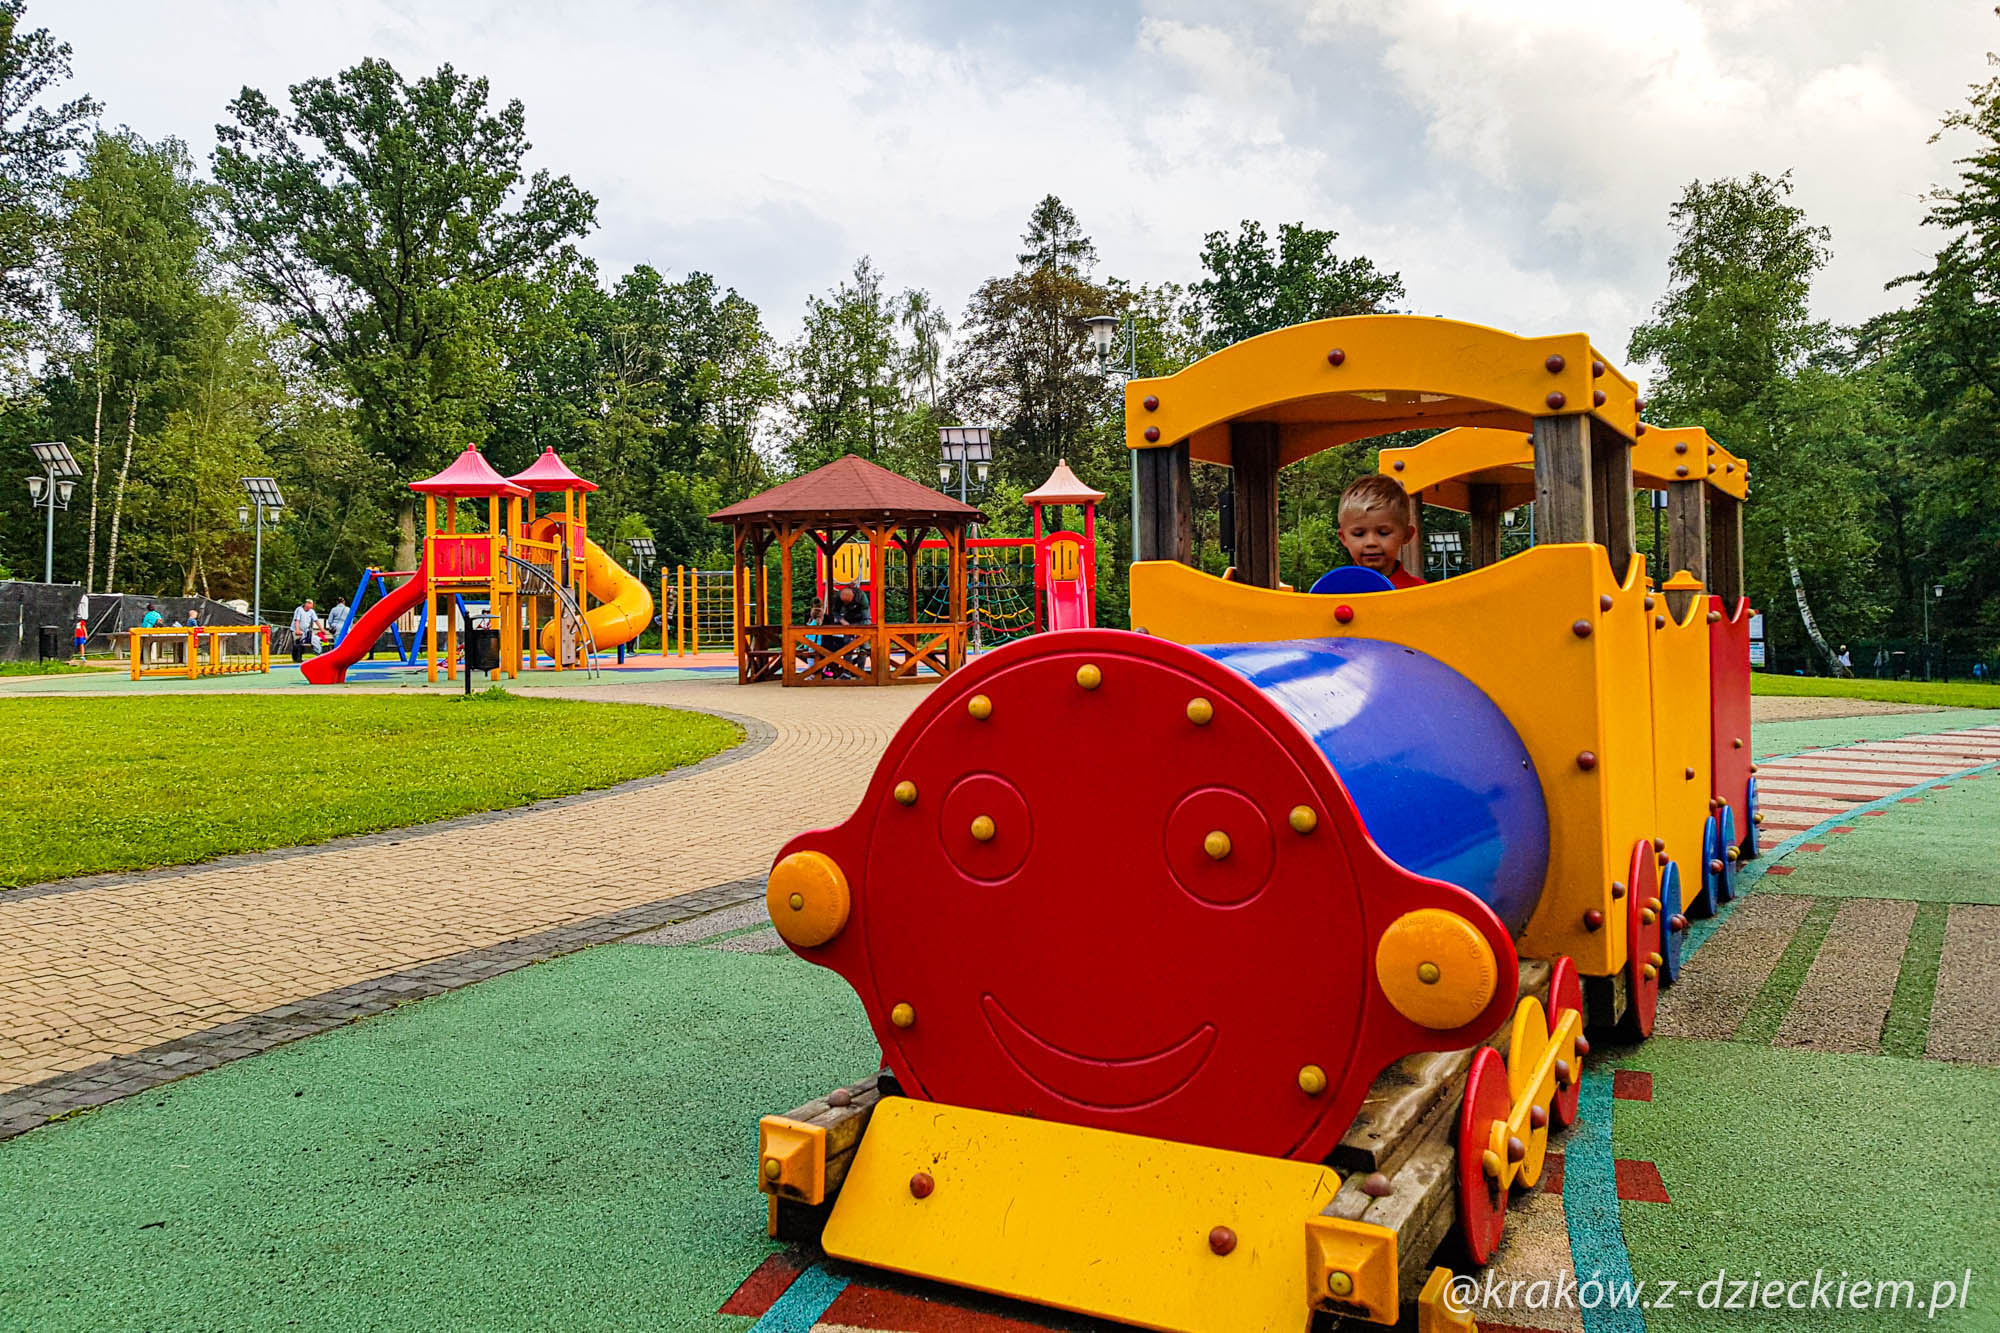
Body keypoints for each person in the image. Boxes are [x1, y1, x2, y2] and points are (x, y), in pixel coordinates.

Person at [1337, 475, 1426, 589]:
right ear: (1343, 538)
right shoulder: (1333, 590)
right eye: (1359, 534)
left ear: (1407, 535)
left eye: (1383, 533)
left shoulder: (1420, 591)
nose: (1371, 542)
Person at [289, 598, 319, 663]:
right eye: (311, 605)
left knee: (301, 644)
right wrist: (297, 630)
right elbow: (297, 620)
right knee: (297, 644)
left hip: (304, 631)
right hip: (295, 629)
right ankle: (296, 658)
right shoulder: (299, 609)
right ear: (307, 604)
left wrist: (322, 629)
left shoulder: (311, 611)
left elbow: (316, 620)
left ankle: (299, 658)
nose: (312, 606)